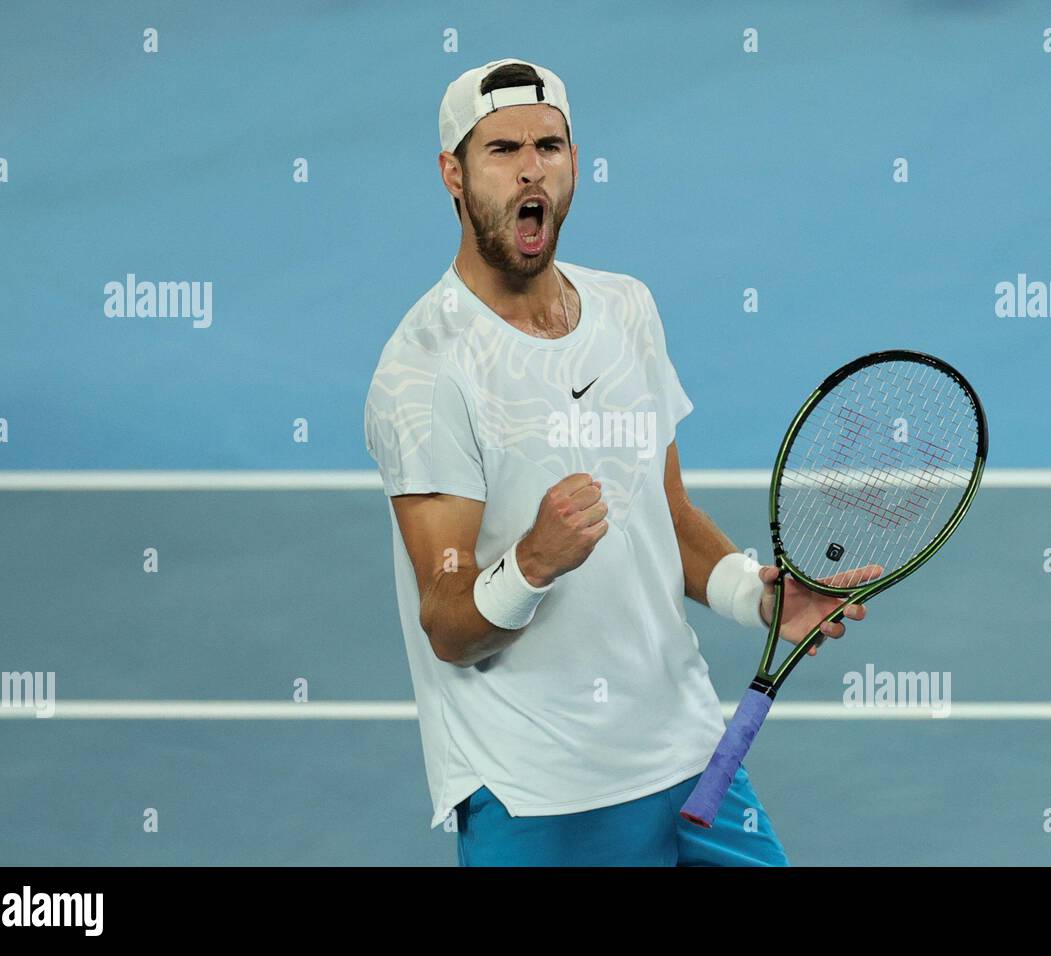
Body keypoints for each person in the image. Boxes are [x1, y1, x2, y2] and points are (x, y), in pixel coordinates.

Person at [363, 58, 871, 866]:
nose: (532, 167)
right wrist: (531, 563)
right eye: (501, 150)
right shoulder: (423, 372)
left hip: (690, 761)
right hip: (541, 797)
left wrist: (758, 597)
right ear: (451, 175)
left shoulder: (627, 309)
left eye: (550, 145)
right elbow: (448, 625)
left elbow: (666, 519)